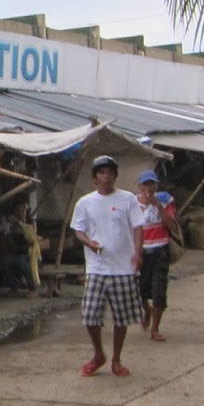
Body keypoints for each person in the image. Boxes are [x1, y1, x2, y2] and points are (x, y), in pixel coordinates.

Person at [71, 155, 142, 377]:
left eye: (110, 172)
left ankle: (116, 360)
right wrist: (88, 243)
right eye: (102, 172)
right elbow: (78, 231)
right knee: (91, 315)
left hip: (122, 267)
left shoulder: (128, 199)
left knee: (121, 317)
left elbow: (138, 227)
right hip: (96, 267)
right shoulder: (85, 202)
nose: (107, 176)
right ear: (95, 178)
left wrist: (138, 253)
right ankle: (98, 354)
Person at [134, 171, 177, 342]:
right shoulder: (133, 203)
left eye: (152, 184)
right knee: (139, 291)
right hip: (141, 251)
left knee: (159, 291)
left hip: (160, 251)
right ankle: (147, 311)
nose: (148, 188)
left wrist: (158, 206)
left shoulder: (165, 201)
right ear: (140, 186)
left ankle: (155, 329)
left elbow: (172, 225)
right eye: (145, 184)